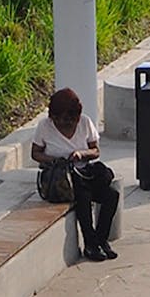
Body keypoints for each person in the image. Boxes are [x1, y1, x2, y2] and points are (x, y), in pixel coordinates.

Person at [31, 88, 119, 262]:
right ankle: (90, 244)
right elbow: (35, 154)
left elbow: (95, 151)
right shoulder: (45, 126)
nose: (67, 123)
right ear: (54, 117)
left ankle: (101, 240)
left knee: (111, 195)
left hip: (83, 172)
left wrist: (81, 154)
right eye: (62, 120)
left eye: (71, 120)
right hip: (61, 178)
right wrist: (56, 160)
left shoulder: (85, 123)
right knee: (83, 197)